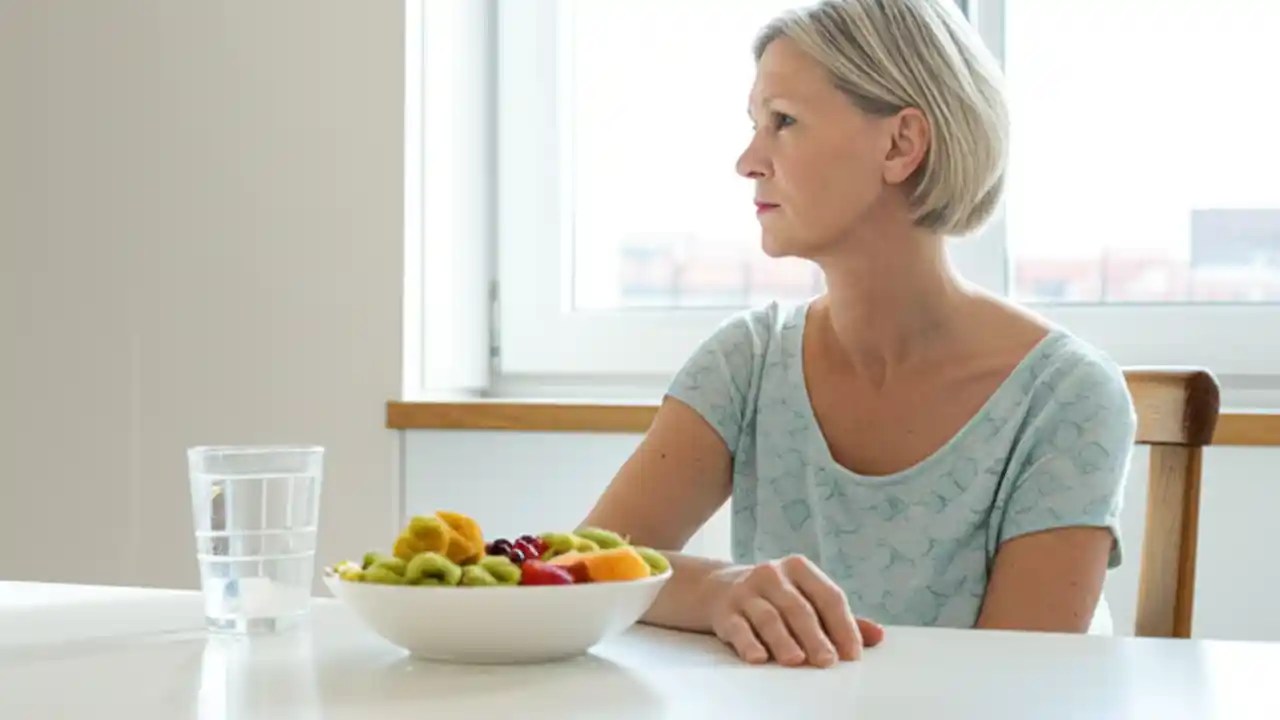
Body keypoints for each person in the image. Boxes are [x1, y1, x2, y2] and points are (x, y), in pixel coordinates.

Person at [580, 0, 1137, 668]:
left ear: (901, 144)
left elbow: (1015, 684)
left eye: (783, 121)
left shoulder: (1068, 395)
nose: (748, 160)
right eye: (754, 124)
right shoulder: (747, 364)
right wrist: (714, 590)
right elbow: (580, 572)